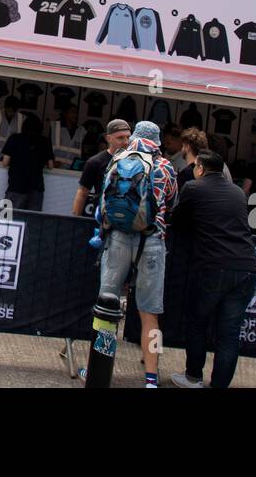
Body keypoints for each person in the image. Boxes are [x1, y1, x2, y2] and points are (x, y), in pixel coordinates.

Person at [168, 149, 256, 389]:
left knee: (197, 322)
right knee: (229, 334)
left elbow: (177, 220)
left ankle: (193, 376)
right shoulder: (238, 192)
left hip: (212, 266)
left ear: (200, 168)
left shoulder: (194, 188)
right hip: (247, 266)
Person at [98, 120, 177, 387]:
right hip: (152, 241)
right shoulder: (166, 167)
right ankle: (151, 379)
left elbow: (103, 200)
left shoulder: (117, 160)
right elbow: (171, 203)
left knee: (107, 305)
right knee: (149, 312)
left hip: (118, 237)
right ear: (157, 140)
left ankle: (98, 368)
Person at [71, 119, 131, 218]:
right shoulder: (95, 162)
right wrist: (75, 221)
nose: (125, 142)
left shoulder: (135, 161)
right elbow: (82, 192)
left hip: (127, 219)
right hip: (101, 217)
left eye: (128, 137)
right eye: (120, 138)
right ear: (108, 139)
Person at [0, 112, 54, 211]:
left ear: (23, 126)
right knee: (32, 222)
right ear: (40, 128)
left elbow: (5, 162)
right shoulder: (45, 141)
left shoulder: (14, 138)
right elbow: (50, 165)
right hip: (36, 188)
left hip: (16, 186)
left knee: (10, 221)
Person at [176, 127, 210, 196]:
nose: (181, 149)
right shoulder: (209, 169)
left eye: (183, 146)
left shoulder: (185, 174)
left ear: (187, 147)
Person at [51, 104, 86, 170]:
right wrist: (51, 160)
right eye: (72, 112)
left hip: (73, 170)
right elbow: (48, 147)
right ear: (65, 114)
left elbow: (82, 151)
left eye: (76, 112)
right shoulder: (55, 127)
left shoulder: (81, 130)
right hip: (56, 168)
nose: (75, 115)